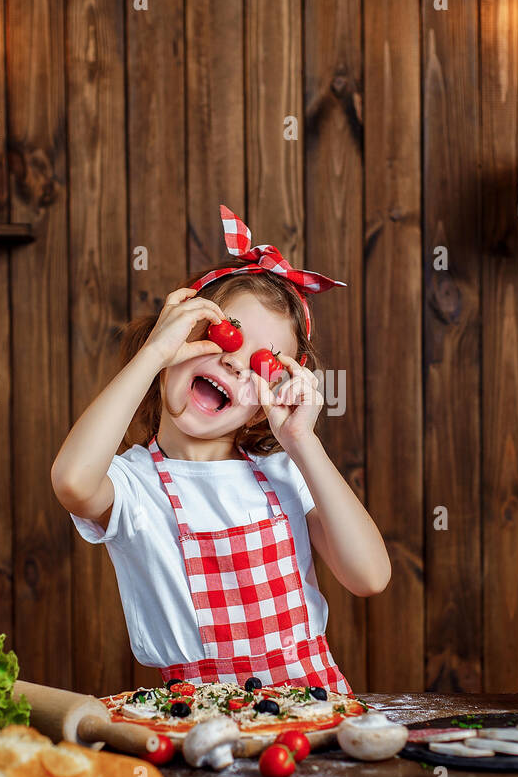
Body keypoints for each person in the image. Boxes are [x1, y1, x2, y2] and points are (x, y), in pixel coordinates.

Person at [52, 206, 390, 692]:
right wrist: (152, 355)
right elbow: (71, 481)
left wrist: (302, 442)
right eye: (221, 333)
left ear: (262, 407)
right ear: (175, 340)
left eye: (262, 363)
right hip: (198, 715)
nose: (235, 363)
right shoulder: (133, 484)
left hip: (315, 707)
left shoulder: (285, 473)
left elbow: (369, 576)